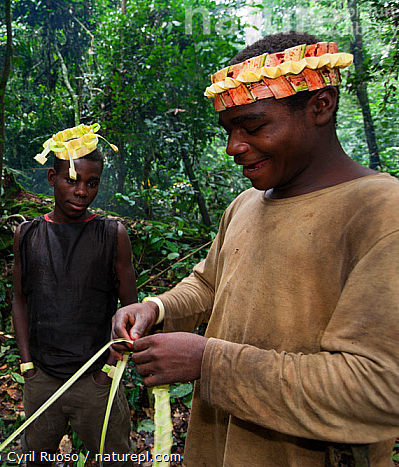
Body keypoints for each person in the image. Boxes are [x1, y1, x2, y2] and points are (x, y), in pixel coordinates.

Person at [112, 32, 399, 466]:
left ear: (320, 105)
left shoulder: (381, 213)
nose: (233, 147)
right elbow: (210, 284)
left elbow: (379, 389)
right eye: (229, 130)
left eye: (255, 125)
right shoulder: (245, 205)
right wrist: (157, 308)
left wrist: (210, 362)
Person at [13, 124, 138, 467]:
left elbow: (132, 309)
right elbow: (20, 299)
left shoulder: (112, 234)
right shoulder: (27, 234)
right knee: (37, 458)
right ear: (52, 178)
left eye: (92, 183)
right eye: (72, 180)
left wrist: (110, 370)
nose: (82, 191)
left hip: (96, 381)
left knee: (114, 459)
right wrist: (27, 366)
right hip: (43, 377)